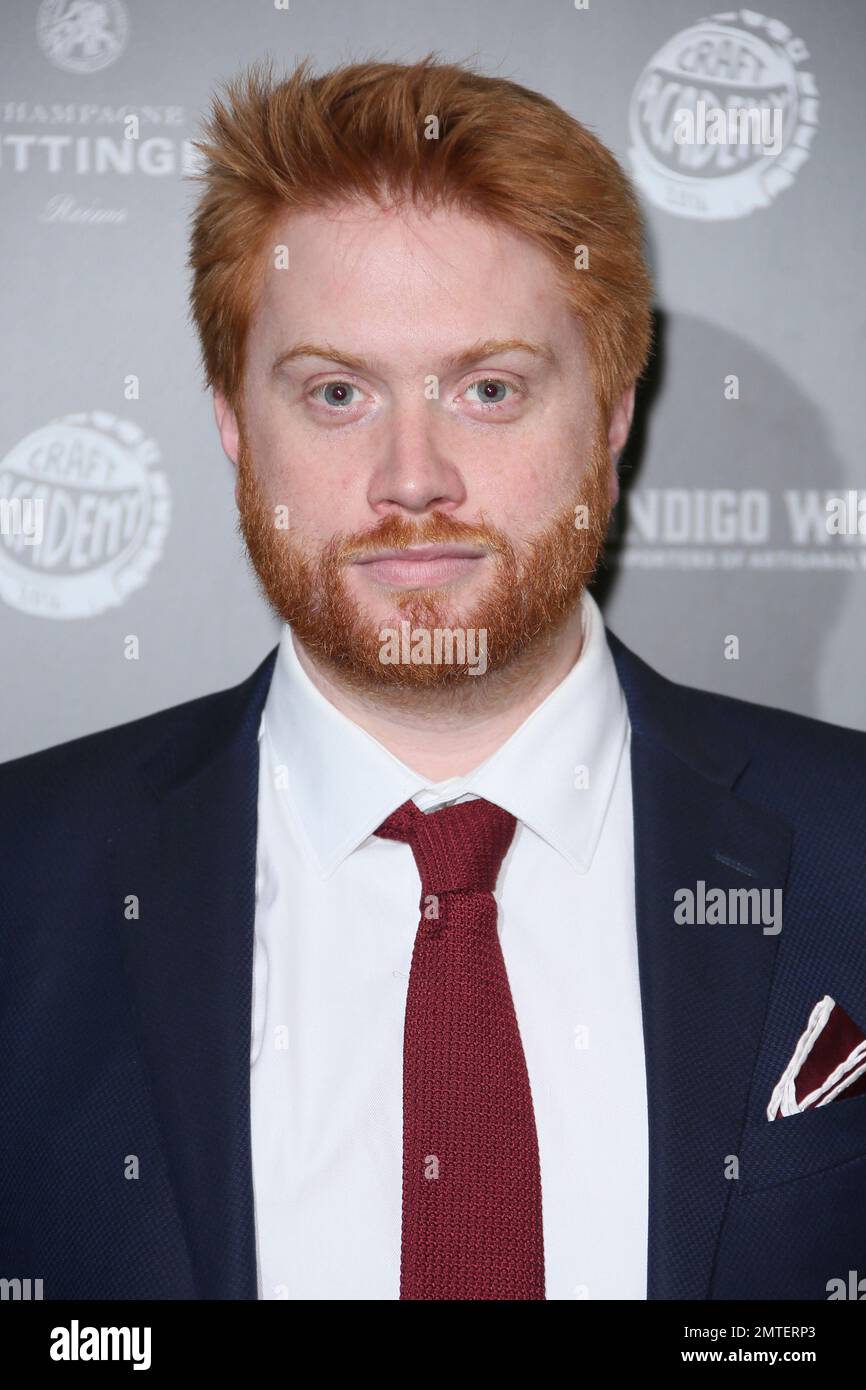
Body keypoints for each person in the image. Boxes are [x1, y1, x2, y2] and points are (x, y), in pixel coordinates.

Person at [1, 56, 864, 1302]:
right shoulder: (25, 880)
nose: (413, 477)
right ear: (236, 425)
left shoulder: (848, 849)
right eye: (337, 392)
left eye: (490, 388)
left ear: (614, 415)